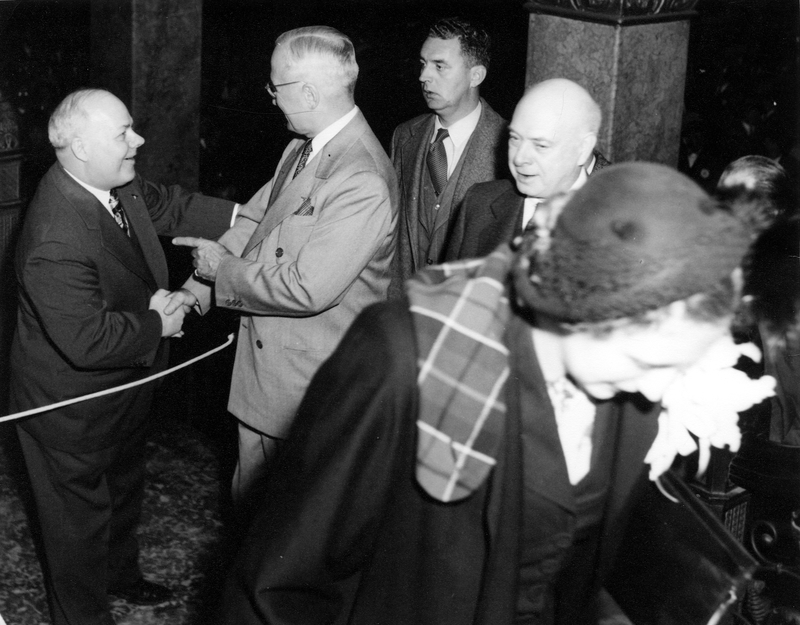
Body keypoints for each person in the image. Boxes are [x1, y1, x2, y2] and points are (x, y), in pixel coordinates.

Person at [219, 163, 765, 624]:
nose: (657, 391)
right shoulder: (405, 356)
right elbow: (279, 585)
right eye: (646, 360)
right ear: (578, 305)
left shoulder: (634, 388)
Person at [10, 88, 236, 625]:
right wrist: (161, 320)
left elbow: (168, 204)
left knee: (122, 491)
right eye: (123, 134)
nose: (138, 139)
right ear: (82, 148)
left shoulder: (116, 183)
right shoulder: (53, 235)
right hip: (69, 409)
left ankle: (121, 576)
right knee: (76, 530)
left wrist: (246, 214)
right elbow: (87, 339)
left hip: (123, 388)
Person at [172, 26, 397, 505]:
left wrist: (220, 273)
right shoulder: (302, 147)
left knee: (281, 542)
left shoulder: (361, 178)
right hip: (269, 381)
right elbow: (256, 222)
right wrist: (195, 291)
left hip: (306, 395)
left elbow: (306, 288)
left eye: (276, 86)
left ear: (309, 92)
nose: (271, 98)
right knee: (251, 518)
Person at [388, 16, 506, 296]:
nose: (423, 76)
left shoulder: (510, 148)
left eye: (439, 66)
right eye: (423, 64)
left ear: (475, 76)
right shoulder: (404, 136)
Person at [445, 78, 610, 261]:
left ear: (583, 148)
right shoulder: (478, 202)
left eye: (540, 146)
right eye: (515, 139)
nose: (519, 158)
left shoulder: (617, 225)